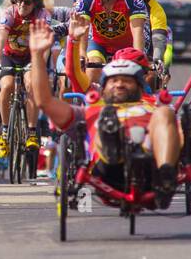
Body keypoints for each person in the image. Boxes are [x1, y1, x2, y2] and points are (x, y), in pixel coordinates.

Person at [26, 19, 182, 193]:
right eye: (114, 80)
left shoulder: (155, 105)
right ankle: (113, 148)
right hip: (106, 170)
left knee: (167, 114)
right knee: (105, 116)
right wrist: (38, 55)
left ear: (139, 83)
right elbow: (45, 101)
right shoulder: (95, 105)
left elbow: (181, 133)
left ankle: (166, 172)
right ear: (104, 84)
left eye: (127, 80)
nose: (120, 84)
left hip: (152, 168)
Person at [0, 0, 52, 159]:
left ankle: (32, 132)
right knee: (7, 86)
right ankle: (4, 132)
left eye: (28, 1)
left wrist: (40, 65)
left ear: (35, 3)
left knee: (31, 84)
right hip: (10, 55)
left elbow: (45, 45)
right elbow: (0, 40)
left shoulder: (42, 15)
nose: (23, 4)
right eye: (20, 0)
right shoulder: (9, 13)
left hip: (31, 56)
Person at [72, 0, 149, 89]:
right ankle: (92, 107)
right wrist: (82, 53)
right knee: (92, 69)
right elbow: (82, 29)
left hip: (126, 47)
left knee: (133, 79)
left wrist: (138, 58)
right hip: (99, 44)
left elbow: (138, 32)